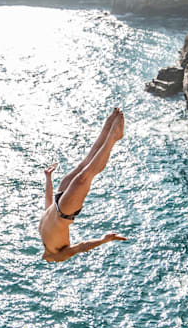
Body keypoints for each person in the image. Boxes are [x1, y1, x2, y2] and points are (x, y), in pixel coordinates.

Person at [39, 107, 128, 262]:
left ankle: (108, 128)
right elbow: (80, 247)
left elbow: (47, 206)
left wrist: (48, 178)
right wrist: (103, 240)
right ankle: (113, 137)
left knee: (84, 166)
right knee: (84, 176)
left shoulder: (44, 237)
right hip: (65, 211)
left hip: (58, 199)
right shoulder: (57, 256)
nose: (45, 260)